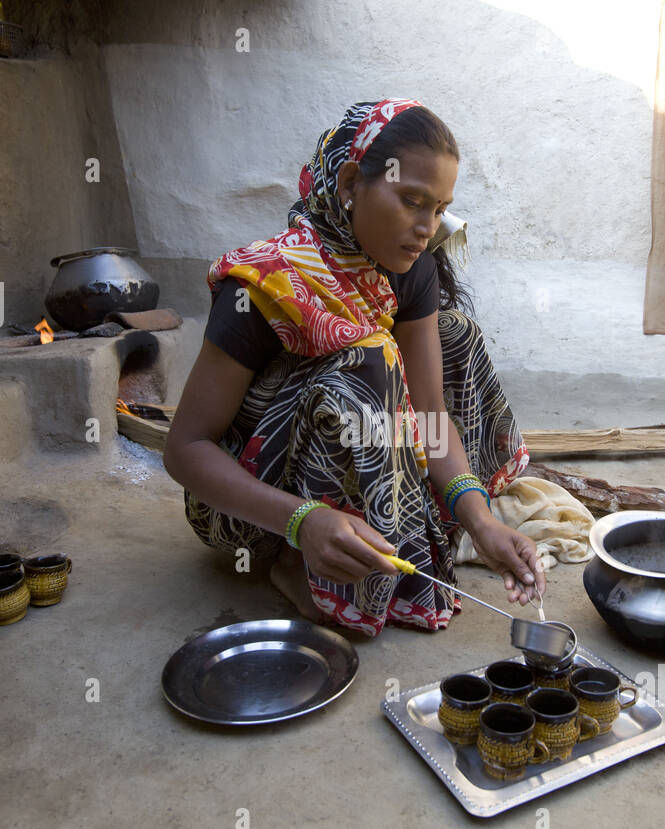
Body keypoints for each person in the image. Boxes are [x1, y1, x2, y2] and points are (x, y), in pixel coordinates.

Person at [163, 98, 544, 637]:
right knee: (367, 358)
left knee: (452, 334)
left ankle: (372, 533)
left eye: (438, 209)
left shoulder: (408, 269)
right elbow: (186, 450)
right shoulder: (262, 286)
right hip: (252, 517)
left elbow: (429, 416)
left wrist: (479, 520)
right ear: (349, 182)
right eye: (411, 200)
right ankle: (294, 562)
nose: (425, 227)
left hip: (331, 476)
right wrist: (301, 520)